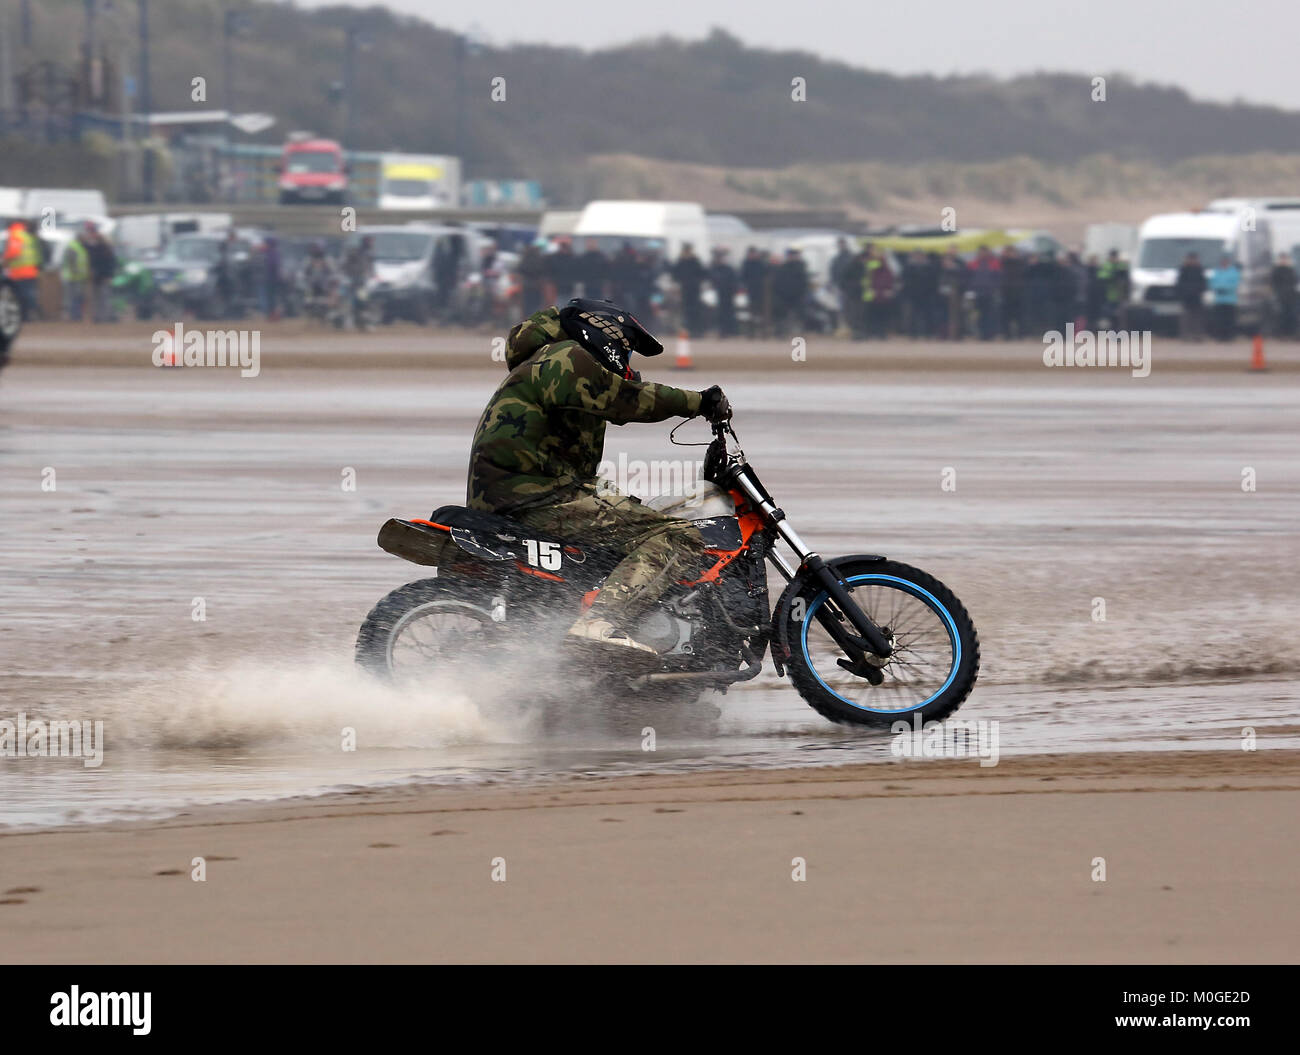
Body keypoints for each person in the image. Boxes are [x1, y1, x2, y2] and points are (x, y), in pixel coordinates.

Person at [466, 299, 731, 657]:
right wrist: (700, 402)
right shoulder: (566, 357)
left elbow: (617, 395)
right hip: (538, 496)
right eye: (628, 345)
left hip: (525, 491)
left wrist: (632, 381)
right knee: (676, 536)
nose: (628, 356)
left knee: (630, 508)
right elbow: (625, 401)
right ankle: (601, 620)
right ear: (605, 330)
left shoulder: (546, 362)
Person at [3, 219, 41, 321]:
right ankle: (32, 314)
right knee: (29, 294)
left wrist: (4, 261)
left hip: (20, 272)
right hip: (31, 271)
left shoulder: (15, 235)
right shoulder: (25, 235)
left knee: (21, 296)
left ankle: (26, 316)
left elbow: (14, 252)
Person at [671, 243, 707, 335]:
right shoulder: (681, 261)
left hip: (694, 289)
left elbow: (702, 273)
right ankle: (689, 330)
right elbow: (675, 274)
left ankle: (697, 330)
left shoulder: (695, 261)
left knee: (695, 310)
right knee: (687, 310)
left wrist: (697, 282)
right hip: (685, 289)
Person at [84, 223, 117, 323]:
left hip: (103, 277)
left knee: (104, 297)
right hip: (95, 277)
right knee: (96, 298)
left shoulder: (104, 248)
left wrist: (109, 275)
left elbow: (110, 263)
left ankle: (105, 317)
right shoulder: (92, 248)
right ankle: (98, 317)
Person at [967, 244, 1001, 340]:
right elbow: (969, 278)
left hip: (989, 292)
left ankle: (989, 334)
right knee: (980, 314)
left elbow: (997, 278)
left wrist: (994, 288)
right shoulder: (974, 263)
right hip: (978, 293)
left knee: (989, 314)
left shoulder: (994, 263)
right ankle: (982, 334)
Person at [61, 226, 92, 322]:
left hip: (78, 277)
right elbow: (71, 262)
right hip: (73, 277)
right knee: (73, 298)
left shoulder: (80, 247)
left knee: (77, 297)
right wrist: (76, 272)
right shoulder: (73, 247)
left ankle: (76, 315)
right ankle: (74, 316)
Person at [1208, 255, 1241, 341]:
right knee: (1219, 320)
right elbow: (1211, 283)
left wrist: (1225, 288)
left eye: (1225, 262)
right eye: (1223, 262)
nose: (1224, 263)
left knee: (1230, 319)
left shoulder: (1234, 272)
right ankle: (1220, 336)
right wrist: (1217, 288)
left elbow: (1235, 283)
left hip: (1230, 300)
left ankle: (1230, 336)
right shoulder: (1217, 272)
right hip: (1219, 300)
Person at [1175, 252, 1207, 340]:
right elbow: (1179, 283)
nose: (1192, 261)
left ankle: (1197, 335)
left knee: (1197, 318)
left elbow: (1203, 283)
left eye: (1194, 259)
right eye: (1190, 259)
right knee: (1185, 317)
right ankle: (1185, 335)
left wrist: (1200, 291)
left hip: (1197, 297)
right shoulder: (1183, 270)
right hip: (1186, 298)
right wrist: (1183, 292)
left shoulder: (1199, 269)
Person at [709, 247, 739, 337]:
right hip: (720, 293)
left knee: (729, 312)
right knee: (721, 312)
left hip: (728, 293)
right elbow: (712, 279)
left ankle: (730, 330)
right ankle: (723, 330)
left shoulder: (728, 269)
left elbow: (734, 280)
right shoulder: (715, 268)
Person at [740, 246, 769, 336]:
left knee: (762, 312)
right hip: (751, 291)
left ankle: (763, 331)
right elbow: (742, 276)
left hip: (762, 292)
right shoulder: (746, 263)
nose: (752, 255)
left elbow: (766, 274)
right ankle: (751, 332)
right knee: (751, 313)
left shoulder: (761, 263)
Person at [1269, 253, 1297, 338]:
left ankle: (1291, 333)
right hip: (1280, 296)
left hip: (1291, 296)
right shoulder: (1276, 270)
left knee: (1291, 315)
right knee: (1281, 315)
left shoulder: (1291, 270)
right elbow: (1273, 283)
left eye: (1285, 259)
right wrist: (1277, 292)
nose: (1283, 260)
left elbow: (1295, 281)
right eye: (1282, 259)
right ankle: (1281, 333)